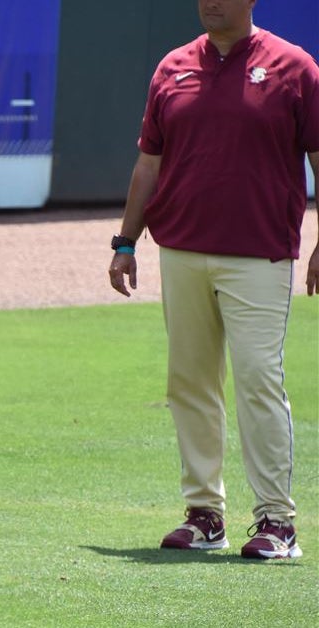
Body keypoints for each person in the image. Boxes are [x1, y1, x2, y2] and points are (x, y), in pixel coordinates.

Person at [108, 0, 319, 560]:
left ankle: (278, 521)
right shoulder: (172, 66)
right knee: (190, 383)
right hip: (180, 249)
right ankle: (205, 514)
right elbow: (148, 163)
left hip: (260, 254)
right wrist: (126, 241)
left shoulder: (295, 67)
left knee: (257, 381)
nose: (211, 2)